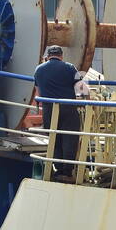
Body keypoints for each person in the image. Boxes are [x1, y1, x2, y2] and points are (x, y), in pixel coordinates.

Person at [33, 44, 80, 180]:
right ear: (61, 56)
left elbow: (38, 92)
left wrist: (39, 106)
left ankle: (58, 169)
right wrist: (87, 103)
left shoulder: (38, 70)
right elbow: (82, 89)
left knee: (54, 138)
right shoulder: (70, 68)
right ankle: (68, 171)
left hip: (49, 109)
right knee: (69, 138)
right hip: (68, 108)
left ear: (48, 56)